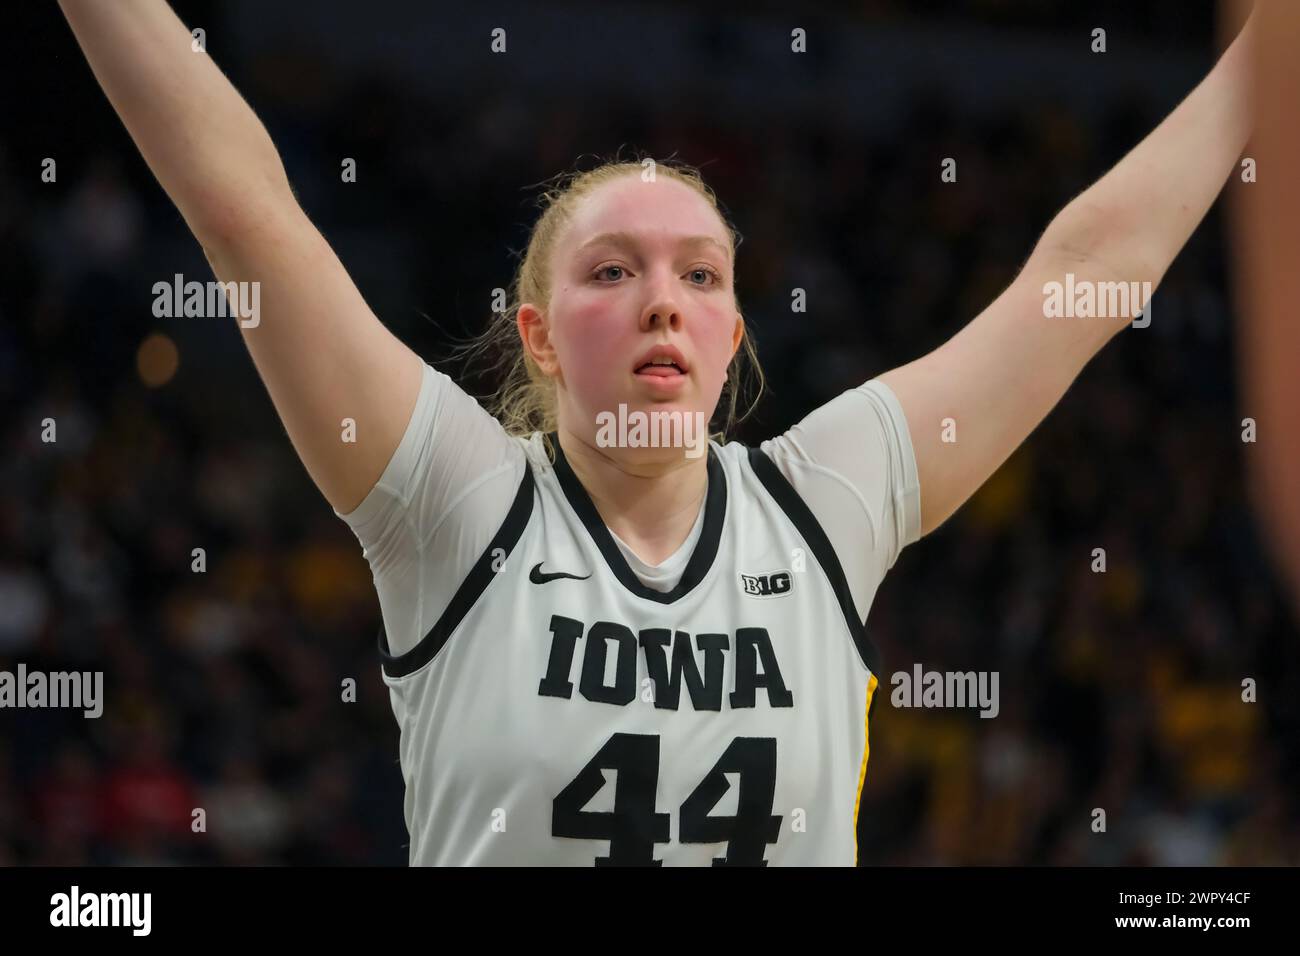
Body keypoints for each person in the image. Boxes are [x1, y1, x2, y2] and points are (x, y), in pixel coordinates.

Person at [57, 0, 1255, 865]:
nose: (662, 300)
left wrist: (1271, 58)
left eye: (700, 273)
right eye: (612, 270)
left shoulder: (825, 501)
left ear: (732, 335)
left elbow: (1087, 268)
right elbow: (246, 214)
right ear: (537, 336)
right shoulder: (459, 500)